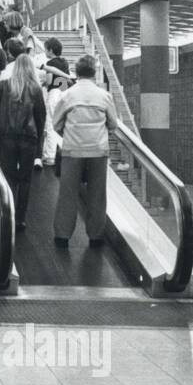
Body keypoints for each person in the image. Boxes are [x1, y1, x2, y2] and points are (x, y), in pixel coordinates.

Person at [51, 55, 119, 249]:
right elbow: (113, 124)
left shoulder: (68, 95)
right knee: (97, 194)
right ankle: (96, 237)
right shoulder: (104, 96)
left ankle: (62, 236)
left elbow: (56, 124)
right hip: (98, 151)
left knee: (67, 194)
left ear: (77, 73)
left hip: (72, 151)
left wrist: (69, 134)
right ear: (94, 73)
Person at [0, 53, 45, 232]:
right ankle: (21, 219)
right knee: (25, 180)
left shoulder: (4, 85)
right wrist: (39, 150)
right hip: (29, 138)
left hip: (8, 137)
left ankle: (8, 216)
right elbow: (41, 119)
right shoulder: (36, 89)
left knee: (9, 178)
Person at [40, 37, 74, 165]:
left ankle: (50, 156)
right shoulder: (65, 62)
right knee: (62, 124)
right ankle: (63, 154)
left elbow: (49, 81)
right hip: (64, 94)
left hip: (54, 94)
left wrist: (43, 83)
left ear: (50, 50)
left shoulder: (50, 64)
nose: (44, 52)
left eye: (45, 49)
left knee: (50, 124)